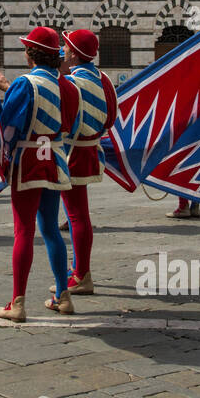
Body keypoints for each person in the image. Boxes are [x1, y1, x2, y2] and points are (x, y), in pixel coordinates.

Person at [0, 27, 79, 321]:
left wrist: (1, 158)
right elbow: (71, 123)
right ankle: (62, 294)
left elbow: (7, 128)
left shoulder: (23, 84)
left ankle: (16, 303)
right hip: (54, 160)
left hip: (28, 160)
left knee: (24, 231)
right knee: (51, 230)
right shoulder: (68, 86)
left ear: (30, 54)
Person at [54, 29, 117, 293]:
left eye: (67, 46)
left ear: (74, 53)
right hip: (91, 150)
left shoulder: (69, 82)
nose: (64, 49)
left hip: (71, 154)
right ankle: (79, 269)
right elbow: (111, 119)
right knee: (78, 214)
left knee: (77, 216)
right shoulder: (104, 80)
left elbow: (60, 120)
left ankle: (82, 274)